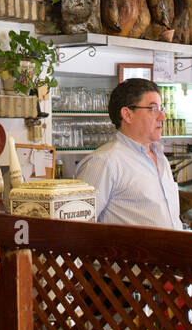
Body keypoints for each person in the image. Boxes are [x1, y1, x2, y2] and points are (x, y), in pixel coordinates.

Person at [75, 78, 183, 229]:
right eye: (153, 109)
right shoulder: (104, 162)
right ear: (127, 114)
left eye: (161, 109)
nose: (162, 117)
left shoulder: (160, 157)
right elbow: (78, 226)